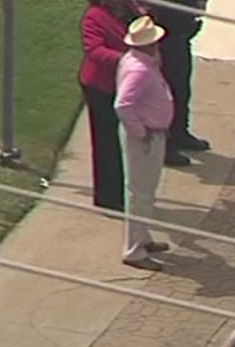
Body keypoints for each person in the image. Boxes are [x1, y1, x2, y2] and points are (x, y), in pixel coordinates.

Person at [114, 15, 175, 271]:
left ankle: (143, 238)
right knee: (141, 193)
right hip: (145, 138)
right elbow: (123, 104)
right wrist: (141, 131)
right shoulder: (139, 70)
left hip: (151, 133)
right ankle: (134, 251)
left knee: (144, 191)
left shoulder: (136, 61)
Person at [77, 0, 142, 212]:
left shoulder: (128, 6)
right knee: (106, 141)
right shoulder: (94, 16)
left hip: (126, 82)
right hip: (101, 85)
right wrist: (127, 60)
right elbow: (94, 50)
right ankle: (108, 197)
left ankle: (126, 190)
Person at [150, 0, 210, 167]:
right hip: (164, 37)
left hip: (181, 34)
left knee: (182, 90)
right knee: (167, 94)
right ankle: (165, 145)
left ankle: (179, 133)